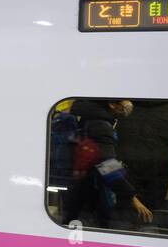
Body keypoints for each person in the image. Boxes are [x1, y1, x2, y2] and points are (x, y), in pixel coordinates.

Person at [61, 98, 154, 230]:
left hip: (78, 188)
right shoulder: (100, 126)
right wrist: (133, 198)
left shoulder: (89, 118)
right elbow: (107, 166)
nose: (128, 105)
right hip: (92, 193)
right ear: (111, 104)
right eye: (123, 101)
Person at [116, 100, 168, 218]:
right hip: (157, 172)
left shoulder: (123, 104)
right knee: (151, 214)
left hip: (122, 170)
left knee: (121, 216)